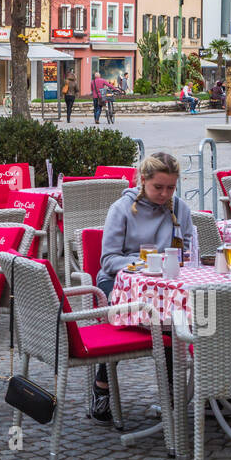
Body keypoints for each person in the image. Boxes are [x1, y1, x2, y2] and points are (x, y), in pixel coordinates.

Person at [95, 152, 198, 421]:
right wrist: (146, 263)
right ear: (143, 181)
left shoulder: (180, 209)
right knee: (162, 318)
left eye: (171, 188)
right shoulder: (122, 208)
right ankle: (102, 386)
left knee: (178, 318)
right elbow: (108, 260)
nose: (165, 194)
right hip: (120, 282)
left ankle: (175, 395)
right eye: (158, 187)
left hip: (166, 286)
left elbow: (187, 253)